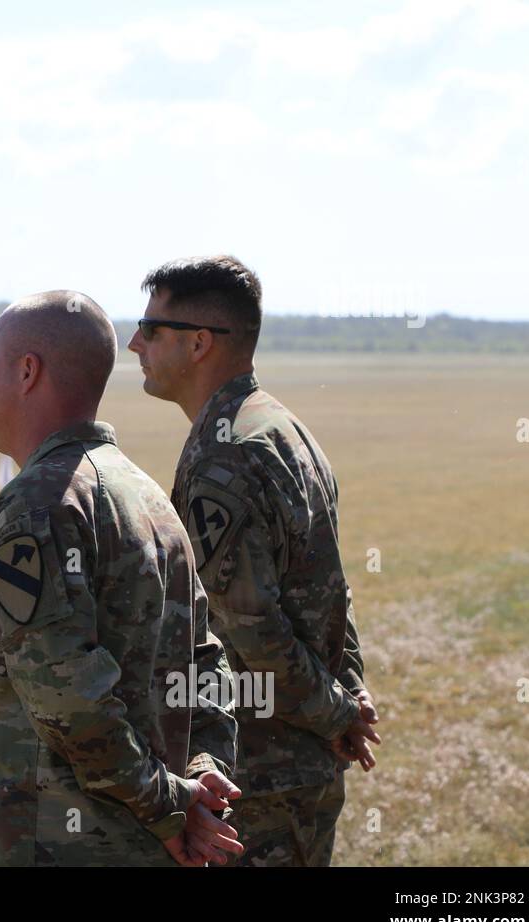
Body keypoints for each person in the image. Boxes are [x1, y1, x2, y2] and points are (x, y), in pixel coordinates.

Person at [0, 289, 241, 867]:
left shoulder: (39, 506)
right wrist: (201, 779)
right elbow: (207, 661)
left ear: (28, 371)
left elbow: (70, 698)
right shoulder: (146, 494)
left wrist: (172, 806)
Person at [128, 255, 380, 866]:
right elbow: (331, 593)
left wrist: (337, 710)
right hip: (300, 759)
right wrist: (347, 694)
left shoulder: (227, 455)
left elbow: (250, 628)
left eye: (150, 328)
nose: (134, 342)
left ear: (198, 343)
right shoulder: (284, 429)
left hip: (259, 770)